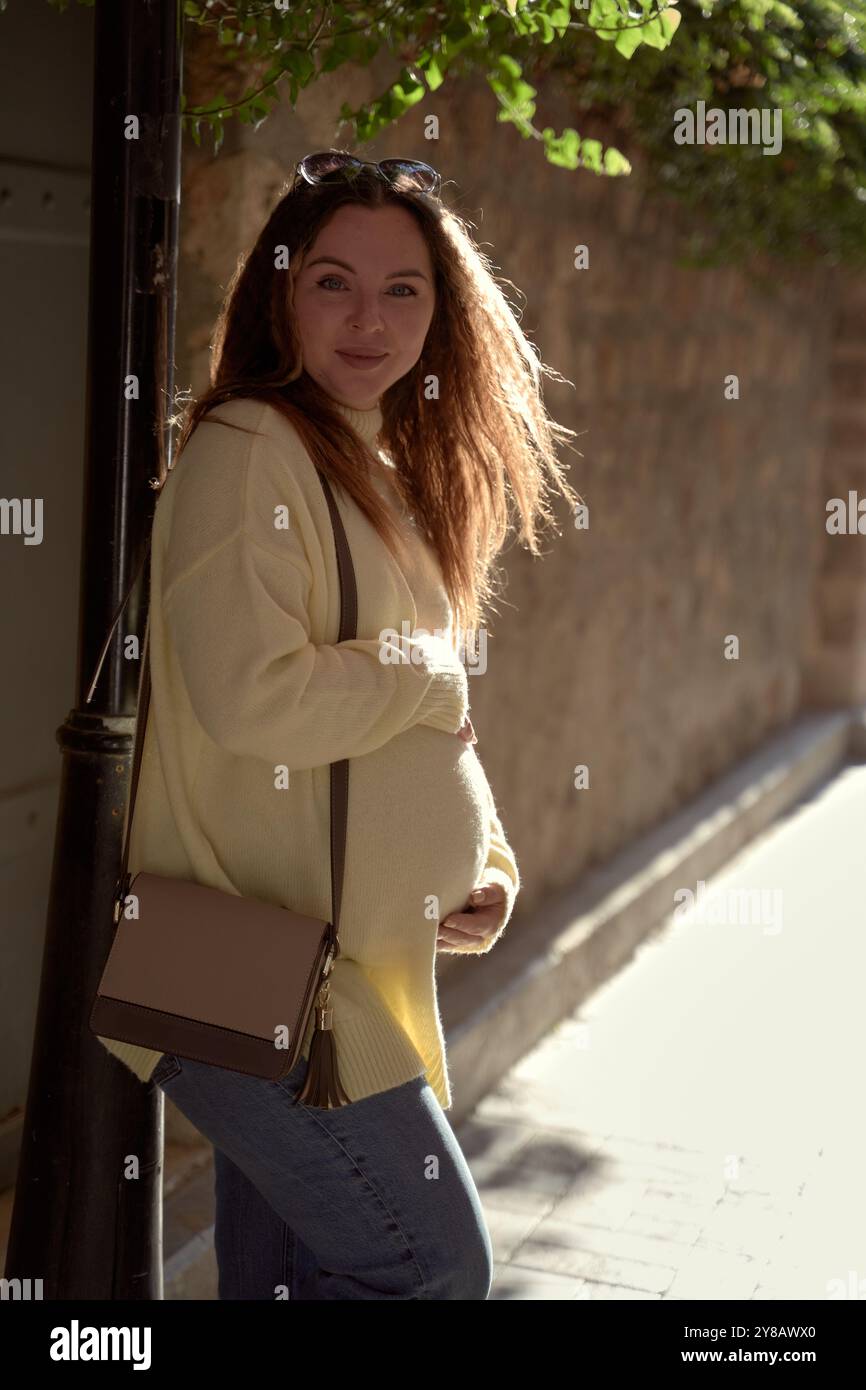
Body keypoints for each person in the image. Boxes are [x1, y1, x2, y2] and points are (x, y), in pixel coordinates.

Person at [96, 149, 581, 1299]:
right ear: (279, 291)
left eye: (402, 289)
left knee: (291, 1280)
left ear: (440, 309)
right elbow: (255, 695)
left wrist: (487, 862)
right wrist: (417, 672)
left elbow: (431, 715)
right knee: (430, 1263)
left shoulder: (369, 463)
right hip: (267, 980)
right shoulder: (250, 450)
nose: (370, 319)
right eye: (332, 282)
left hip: (338, 970)